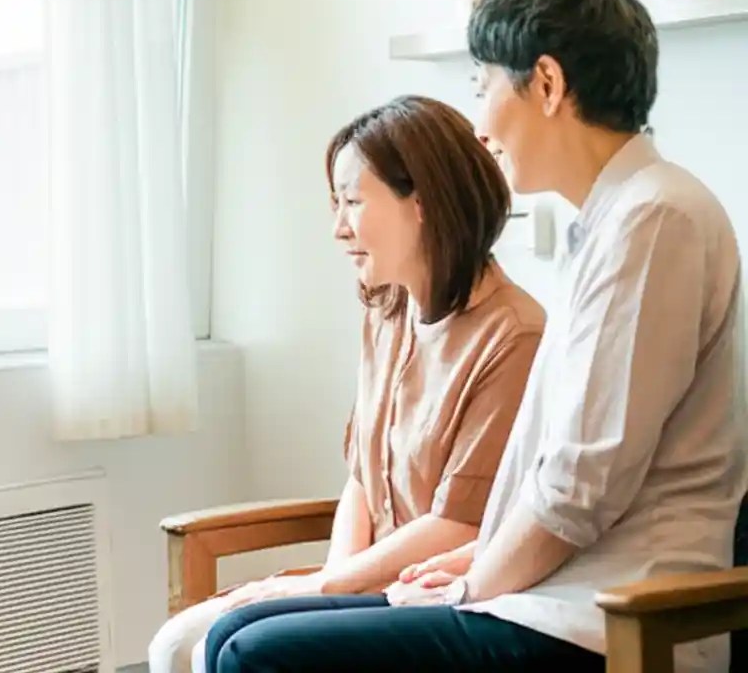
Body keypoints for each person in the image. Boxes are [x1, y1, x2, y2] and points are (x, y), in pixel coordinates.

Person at [203, 0, 746, 672]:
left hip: (604, 620)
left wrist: (469, 582)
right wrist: (472, 562)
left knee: (257, 655)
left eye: (482, 83)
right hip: (544, 596)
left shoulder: (656, 220)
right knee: (230, 636)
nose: (480, 119)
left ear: (546, 84)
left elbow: (579, 490)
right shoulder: (610, 225)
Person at [148, 94, 546, 673]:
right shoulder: (387, 308)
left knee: (225, 647)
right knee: (175, 645)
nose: (338, 228)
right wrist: (330, 588)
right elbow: (362, 478)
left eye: (353, 202)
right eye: (336, 204)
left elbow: (460, 521)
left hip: (436, 592)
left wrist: (328, 589)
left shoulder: (513, 337)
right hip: (364, 578)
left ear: (424, 203)